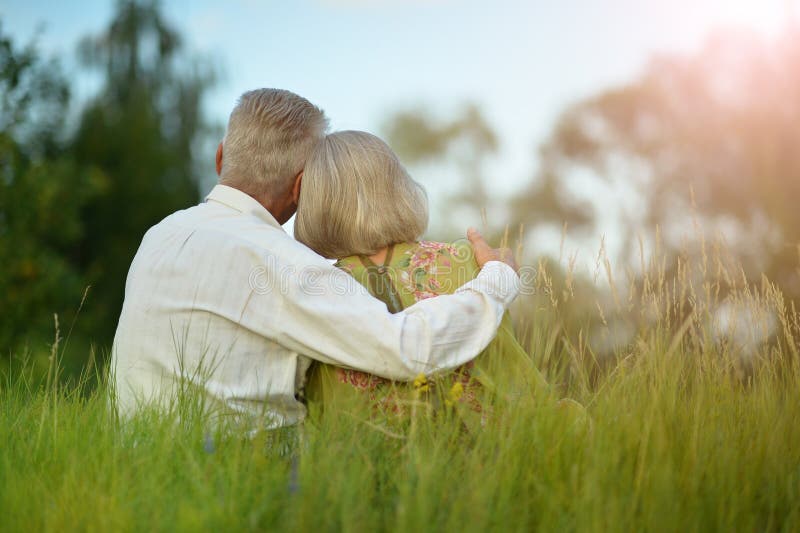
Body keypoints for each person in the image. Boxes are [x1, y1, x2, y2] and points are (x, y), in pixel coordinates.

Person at [111, 89, 521, 430]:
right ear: (303, 187)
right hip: (249, 482)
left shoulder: (160, 234)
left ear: (220, 158)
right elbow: (407, 349)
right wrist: (497, 279)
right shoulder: (280, 259)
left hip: (132, 473)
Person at [294, 130, 550, 429]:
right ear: (398, 188)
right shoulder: (468, 261)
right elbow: (510, 374)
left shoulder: (317, 290)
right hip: (480, 463)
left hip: (360, 470)